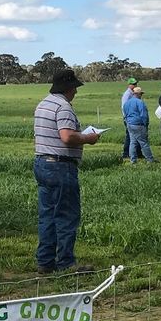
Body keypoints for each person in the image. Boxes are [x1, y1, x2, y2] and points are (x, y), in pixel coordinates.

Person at [34, 68, 101, 274]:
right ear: (69, 88)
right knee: (66, 215)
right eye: (75, 88)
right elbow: (67, 136)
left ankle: (45, 261)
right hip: (61, 166)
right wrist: (88, 138)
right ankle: (66, 263)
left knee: (47, 215)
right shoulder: (63, 107)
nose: (76, 92)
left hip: (42, 163)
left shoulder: (43, 104)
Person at [123, 86, 155, 163]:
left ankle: (133, 160)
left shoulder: (127, 103)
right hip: (138, 124)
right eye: (141, 94)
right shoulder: (140, 102)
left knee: (133, 142)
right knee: (144, 142)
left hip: (129, 124)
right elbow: (144, 115)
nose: (141, 96)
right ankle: (150, 159)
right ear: (139, 94)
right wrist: (146, 124)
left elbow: (125, 113)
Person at [121, 75, 139, 160]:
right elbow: (124, 107)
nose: (135, 85)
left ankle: (136, 153)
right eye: (133, 84)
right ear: (129, 85)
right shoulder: (127, 94)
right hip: (128, 118)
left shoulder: (133, 93)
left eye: (135, 84)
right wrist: (126, 118)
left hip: (133, 118)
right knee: (129, 136)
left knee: (134, 136)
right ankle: (125, 153)